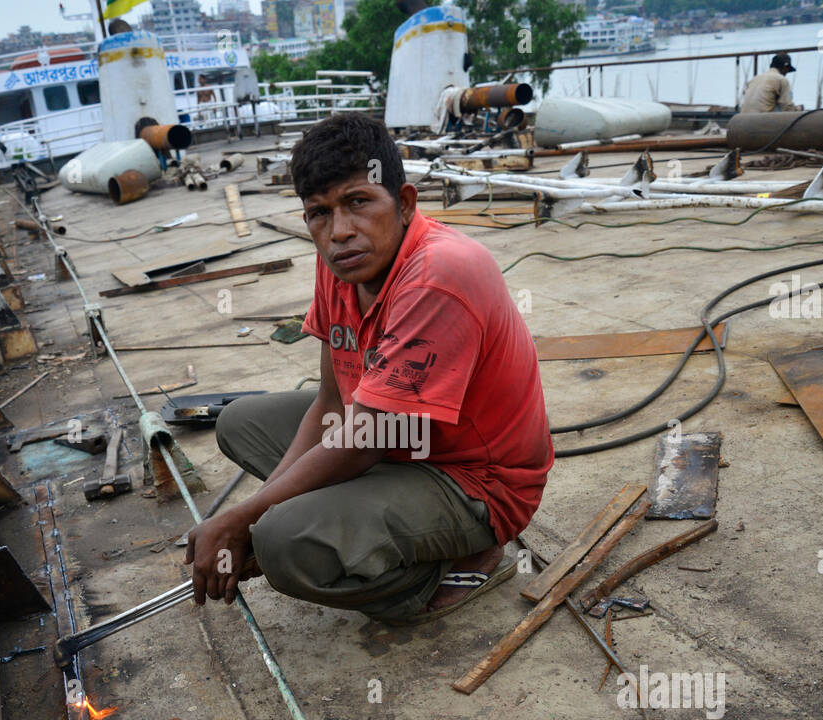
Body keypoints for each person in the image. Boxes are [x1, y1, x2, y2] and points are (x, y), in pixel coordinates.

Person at [183, 113, 554, 624]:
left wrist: (249, 520)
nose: (339, 231)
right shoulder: (341, 260)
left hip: (474, 482)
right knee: (239, 422)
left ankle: (447, 570)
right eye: (319, 213)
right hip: (391, 441)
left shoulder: (441, 273)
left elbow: (367, 439)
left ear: (403, 204)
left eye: (359, 202)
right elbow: (333, 404)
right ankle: (358, 518)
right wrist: (257, 511)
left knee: (281, 542)